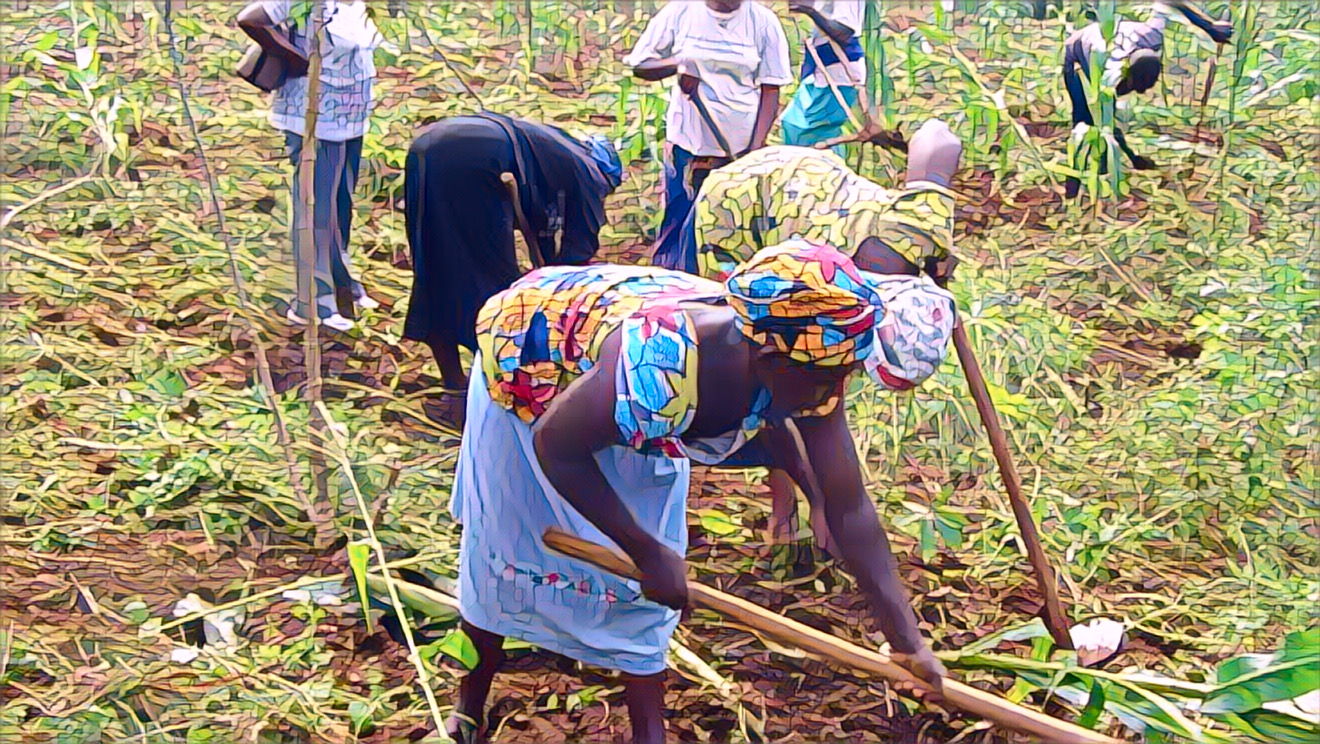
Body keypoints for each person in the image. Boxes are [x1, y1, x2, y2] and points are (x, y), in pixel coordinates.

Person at [445, 243, 946, 743]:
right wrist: (646, 551)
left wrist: (909, 644)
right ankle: (471, 701)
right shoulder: (659, 367)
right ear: (770, 360)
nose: (840, 388)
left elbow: (851, 507)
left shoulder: (808, 361)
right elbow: (556, 446)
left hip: (619, 403)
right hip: (531, 372)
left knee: (649, 583)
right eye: (835, 377)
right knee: (507, 547)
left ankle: (648, 731)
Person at [688, 119, 963, 554]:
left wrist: (939, 242)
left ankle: (815, 507)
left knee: (815, 388)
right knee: (765, 371)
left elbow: (938, 135)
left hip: (811, 186)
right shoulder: (817, 300)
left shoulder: (919, 226)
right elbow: (794, 389)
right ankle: (784, 507)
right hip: (737, 206)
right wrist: (822, 502)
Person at [400, 113, 624, 394]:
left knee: (433, 262)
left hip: (429, 146)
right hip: (476, 158)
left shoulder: (557, 151)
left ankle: (454, 379)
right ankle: (492, 379)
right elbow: (576, 257)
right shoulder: (590, 174)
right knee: (488, 277)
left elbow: (548, 236)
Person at [237, 0, 384, 332]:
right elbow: (251, 19)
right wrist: (294, 57)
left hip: (352, 115)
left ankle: (340, 281)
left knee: (340, 203)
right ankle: (312, 301)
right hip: (314, 115)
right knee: (316, 205)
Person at [624, 0, 792, 273]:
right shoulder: (681, 11)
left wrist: (754, 151)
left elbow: (771, 89)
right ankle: (670, 285)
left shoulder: (763, 22)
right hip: (688, 146)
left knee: (730, 225)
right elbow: (641, 64)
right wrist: (678, 65)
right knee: (680, 219)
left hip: (738, 150)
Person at [1062, 0, 1232, 197]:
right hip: (1077, 55)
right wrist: (1133, 157)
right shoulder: (1109, 64)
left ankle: (1109, 172)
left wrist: (1210, 27)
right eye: (1137, 87)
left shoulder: (1152, 36)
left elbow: (1167, 2)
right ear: (1127, 73)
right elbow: (1104, 117)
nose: (1141, 93)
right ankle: (1072, 189)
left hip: (1109, 43)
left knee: (1102, 119)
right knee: (1084, 121)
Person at [781, 1, 867, 152]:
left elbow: (844, 32)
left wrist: (809, 11)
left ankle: (828, 171)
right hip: (819, 70)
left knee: (821, 132)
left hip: (838, 72)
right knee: (793, 124)